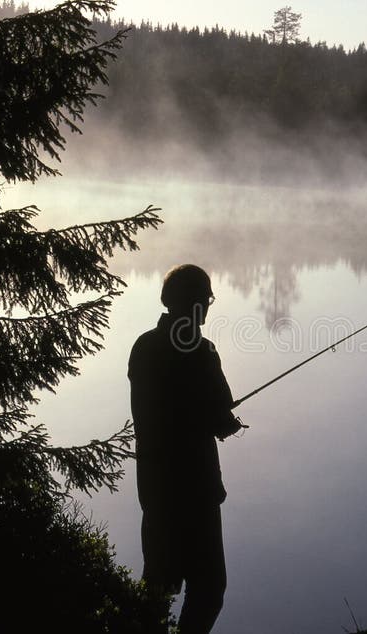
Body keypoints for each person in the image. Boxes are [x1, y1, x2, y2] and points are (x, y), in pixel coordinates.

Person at [128, 264, 243, 633]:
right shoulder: (203, 351)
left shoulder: (144, 347)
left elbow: (150, 416)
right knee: (209, 588)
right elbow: (222, 416)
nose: (208, 308)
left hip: (156, 487)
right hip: (197, 489)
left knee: (158, 586)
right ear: (195, 304)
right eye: (206, 300)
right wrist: (223, 422)